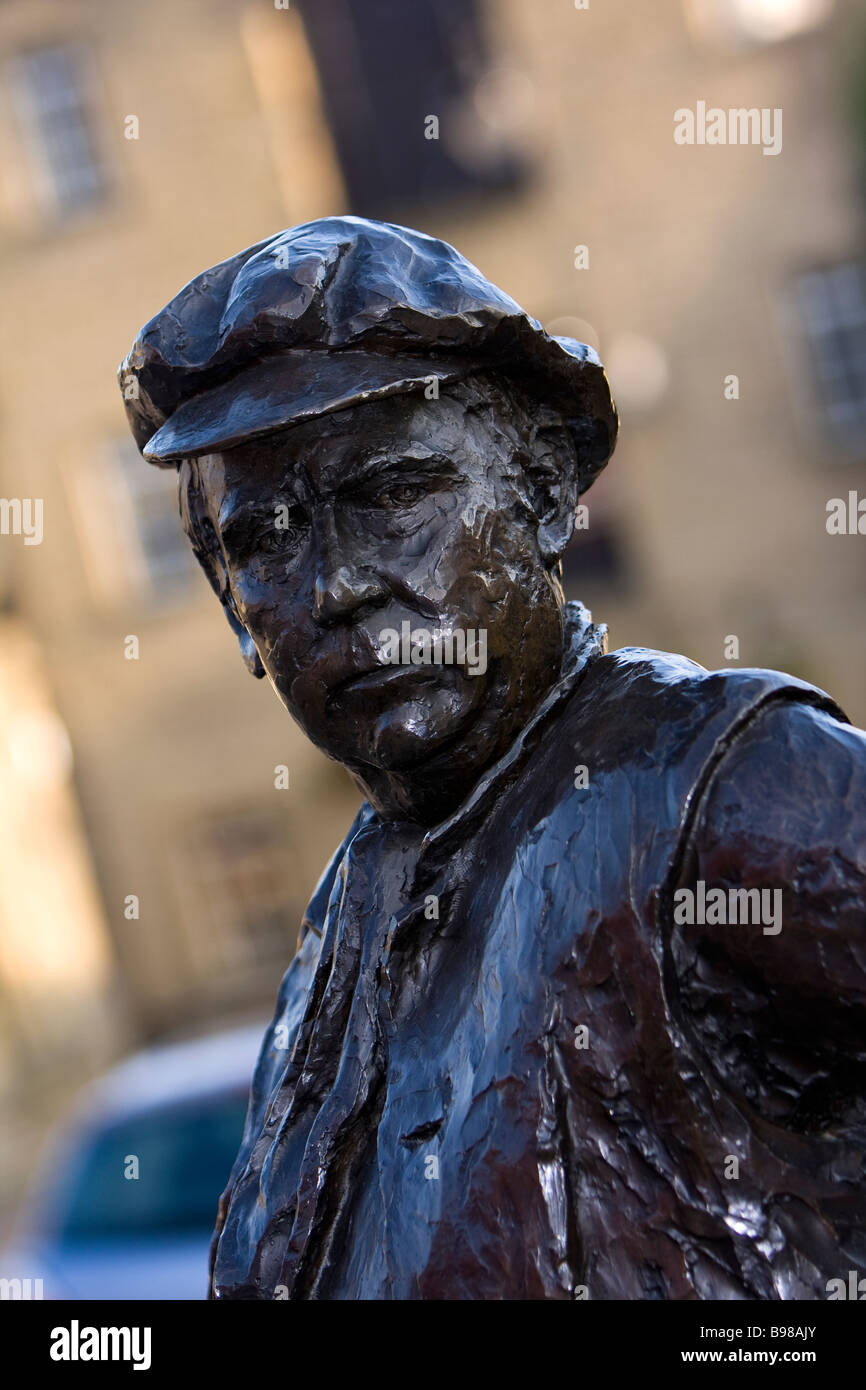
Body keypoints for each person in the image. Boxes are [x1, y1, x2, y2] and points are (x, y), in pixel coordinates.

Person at [119, 217, 866, 1301]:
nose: (333, 587)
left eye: (391, 496)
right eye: (267, 538)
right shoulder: (346, 912)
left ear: (547, 489)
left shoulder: (721, 790)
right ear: (232, 610)